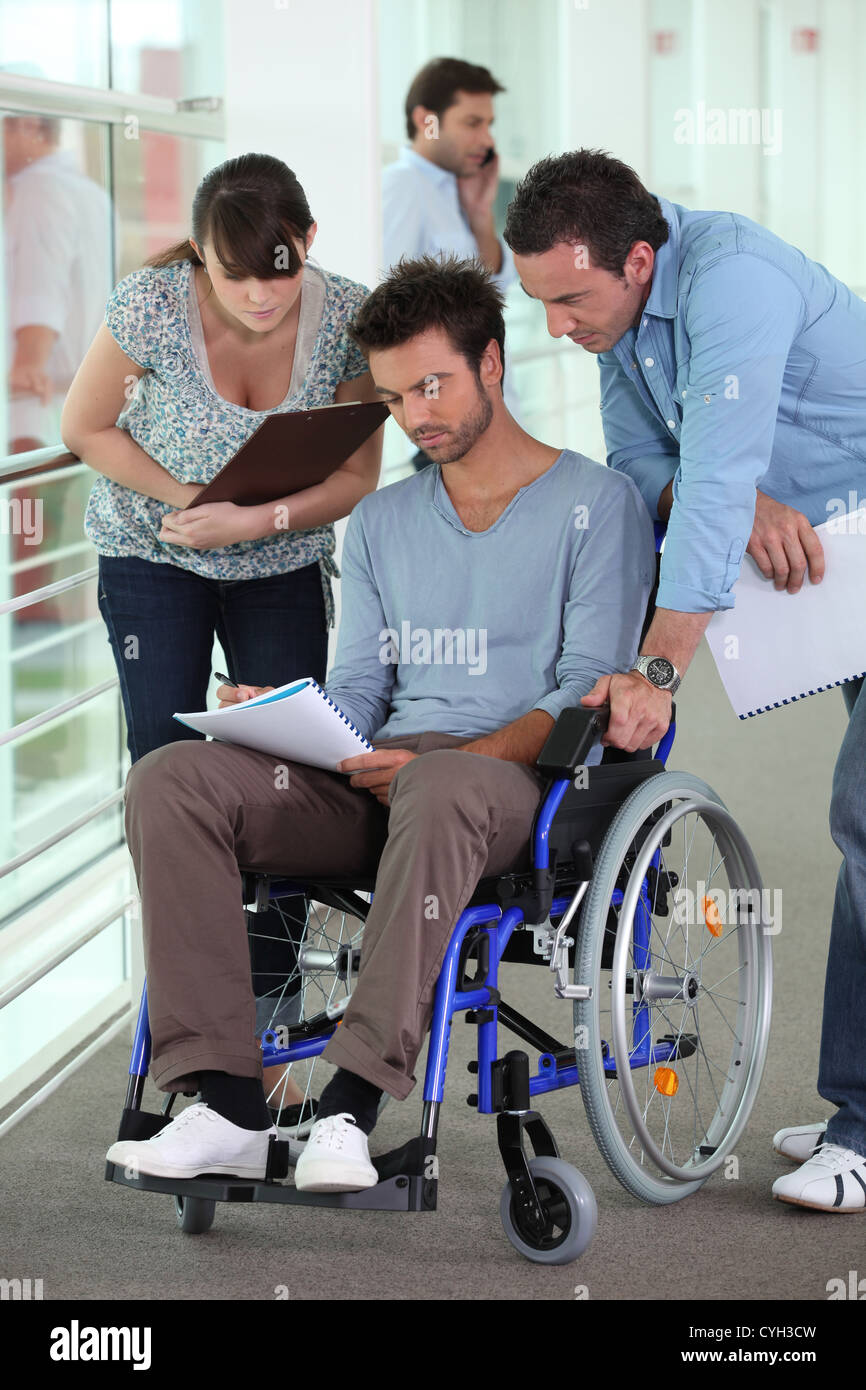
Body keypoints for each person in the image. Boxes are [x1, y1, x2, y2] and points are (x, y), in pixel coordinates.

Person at [105, 255, 655, 1192]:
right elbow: (358, 687)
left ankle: (350, 1108)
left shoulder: (597, 506)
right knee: (171, 777)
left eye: (433, 384)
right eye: (397, 397)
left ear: (493, 362)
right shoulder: (385, 519)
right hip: (377, 774)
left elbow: (581, 694)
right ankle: (228, 1105)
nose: (418, 414)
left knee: (438, 784)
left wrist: (440, 762)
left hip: (520, 784)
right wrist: (279, 723)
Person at [504, 147, 866, 1213]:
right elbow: (644, 473)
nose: (558, 328)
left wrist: (658, 666)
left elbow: (704, 481)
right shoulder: (622, 325)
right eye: (540, 305)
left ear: (639, 257)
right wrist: (744, 494)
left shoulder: (733, 281)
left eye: (571, 300)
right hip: (832, 575)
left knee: (862, 815)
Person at [61, 153, 384, 1128]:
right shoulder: (154, 303)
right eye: (230, 270)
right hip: (149, 554)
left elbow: (358, 471)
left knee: (284, 786)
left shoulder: (347, 318)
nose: (253, 294)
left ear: (308, 245)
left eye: (275, 270)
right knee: (166, 785)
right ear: (199, 253)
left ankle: (270, 1035)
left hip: (275, 564)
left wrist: (260, 521)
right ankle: (194, 1048)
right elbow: (85, 426)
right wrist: (192, 501)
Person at [382, 56, 519, 465]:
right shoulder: (403, 185)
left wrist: (480, 215)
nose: (487, 139)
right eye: (473, 123)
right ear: (427, 120)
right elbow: (388, 299)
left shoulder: (457, 191)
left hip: (491, 408)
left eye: (489, 124)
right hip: (448, 417)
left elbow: (495, 291)